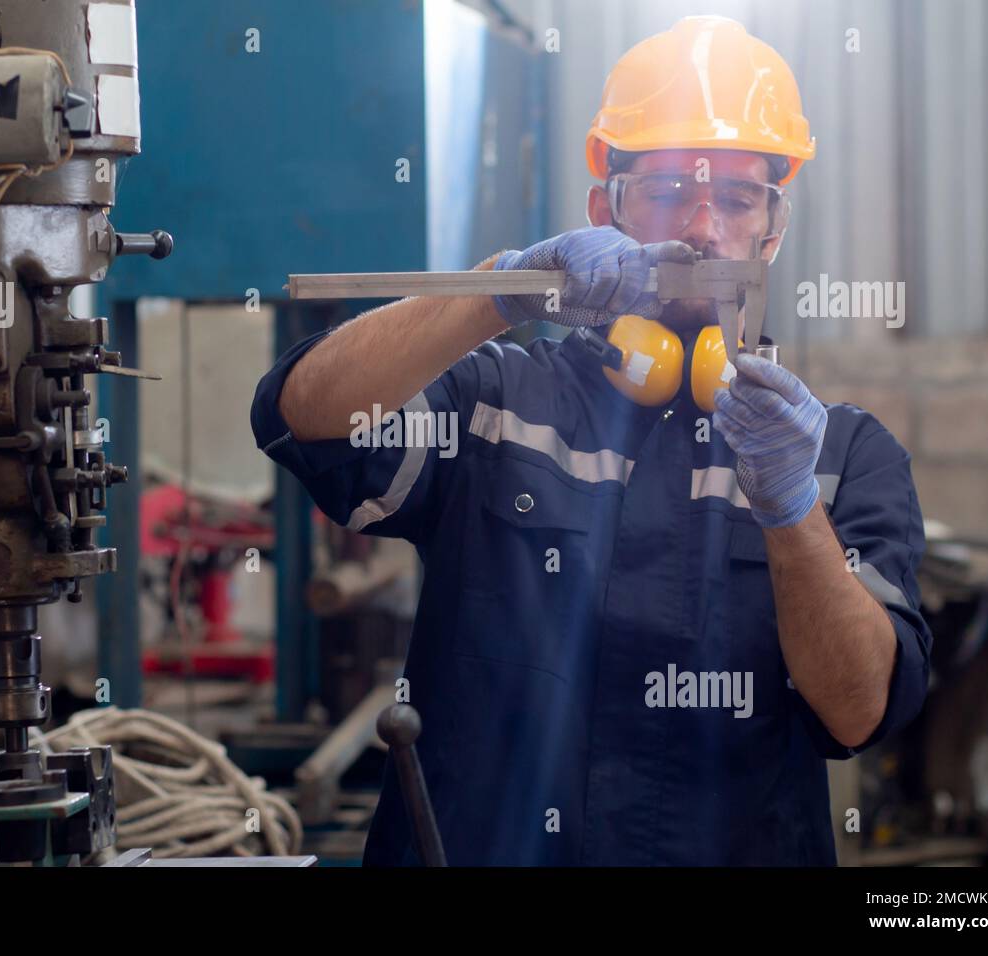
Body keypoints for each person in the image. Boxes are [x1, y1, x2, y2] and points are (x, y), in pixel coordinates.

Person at [251, 15, 931, 865]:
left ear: (773, 228)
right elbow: (300, 417)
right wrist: (501, 290)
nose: (704, 227)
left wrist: (791, 511)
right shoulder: (498, 401)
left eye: (736, 196)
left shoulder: (841, 456)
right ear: (603, 208)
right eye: (671, 188)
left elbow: (860, 709)